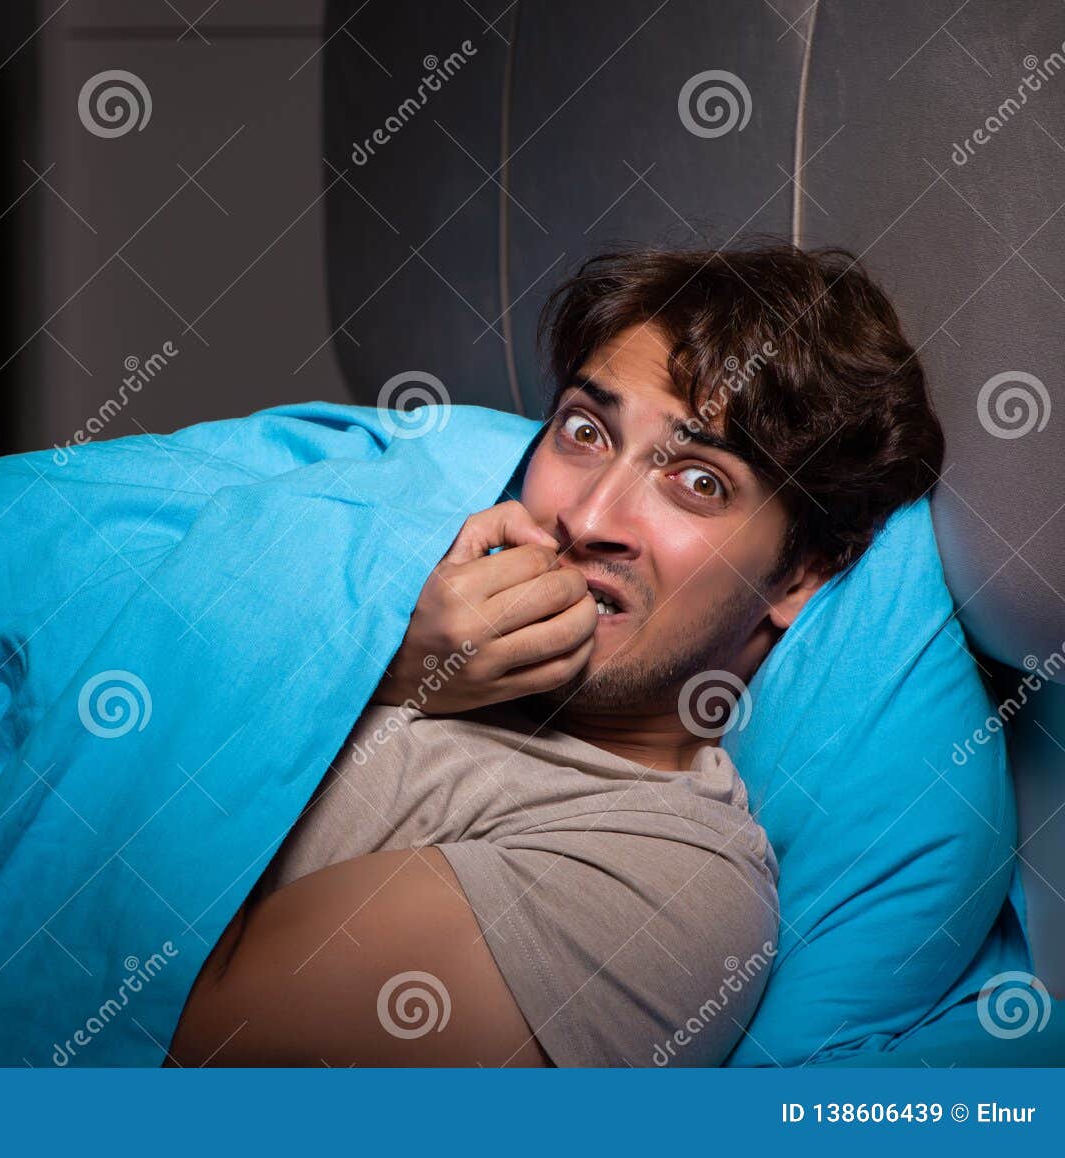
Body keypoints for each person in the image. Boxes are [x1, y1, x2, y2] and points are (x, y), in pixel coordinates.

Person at [168, 244, 946, 1067]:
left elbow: (140, 1039)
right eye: (584, 431)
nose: (590, 515)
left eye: (698, 481)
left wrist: (386, 680)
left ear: (799, 576)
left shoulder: (665, 884)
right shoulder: (400, 604)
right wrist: (390, 656)